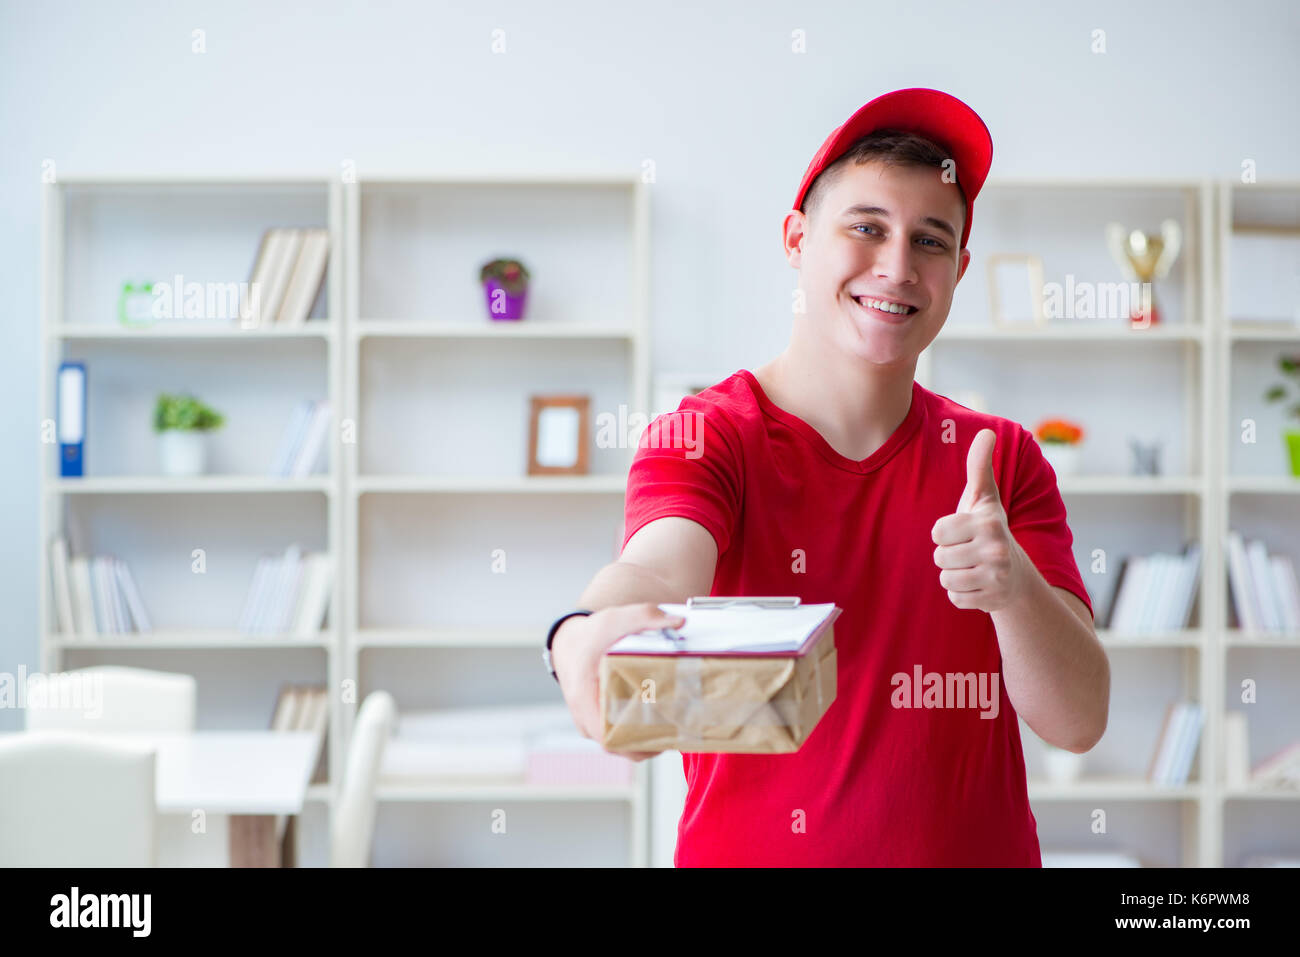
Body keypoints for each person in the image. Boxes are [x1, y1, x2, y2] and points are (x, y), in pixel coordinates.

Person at [543, 88, 1109, 866]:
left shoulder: (1000, 458)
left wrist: (1014, 589)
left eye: (931, 240)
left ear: (959, 268)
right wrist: (577, 637)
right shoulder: (707, 435)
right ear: (796, 239)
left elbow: (1078, 719)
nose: (898, 266)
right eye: (867, 228)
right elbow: (655, 565)